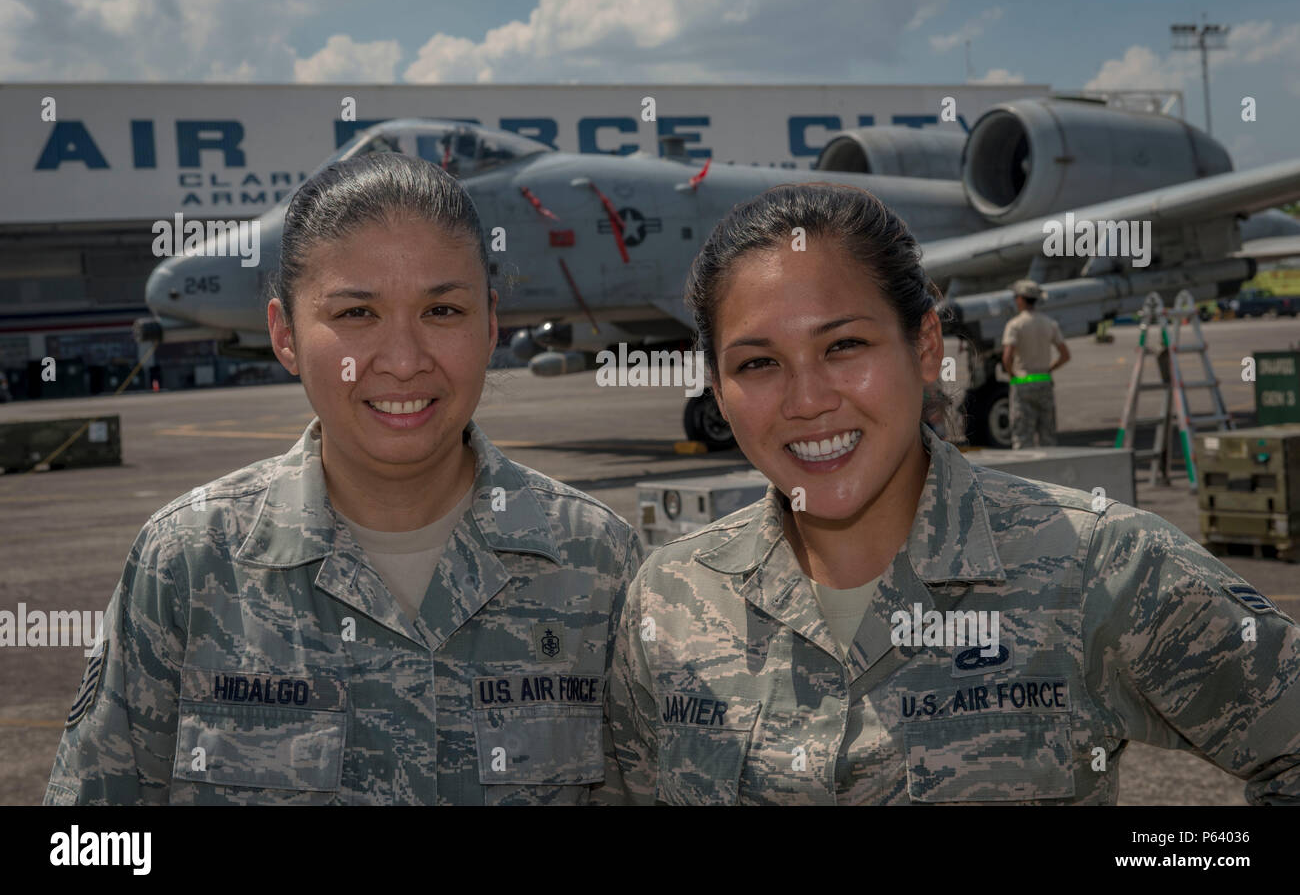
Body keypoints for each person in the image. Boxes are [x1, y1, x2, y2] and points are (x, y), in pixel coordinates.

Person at [605, 182, 1300, 805]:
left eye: (844, 346)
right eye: (757, 363)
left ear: (927, 345)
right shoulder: (668, 600)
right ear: (719, 393)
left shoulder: (1097, 567)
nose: (808, 400)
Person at [46, 153, 643, 805]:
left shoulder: (599, 563)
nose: (405, 361)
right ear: (286, 335)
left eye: (443, 311)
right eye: (357, 314)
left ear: (492, 324)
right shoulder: (187, 566)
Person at [1001, 279, 1070, 449]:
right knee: (1048, 437)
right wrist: (1048, 369)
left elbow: (1007, 357)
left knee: (1022, 438)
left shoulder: (1015, 325)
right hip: (1044, 382)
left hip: (1023, 382)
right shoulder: (1049, 323)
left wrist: (1012, 376)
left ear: (1021, 299)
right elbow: (1065, 355)